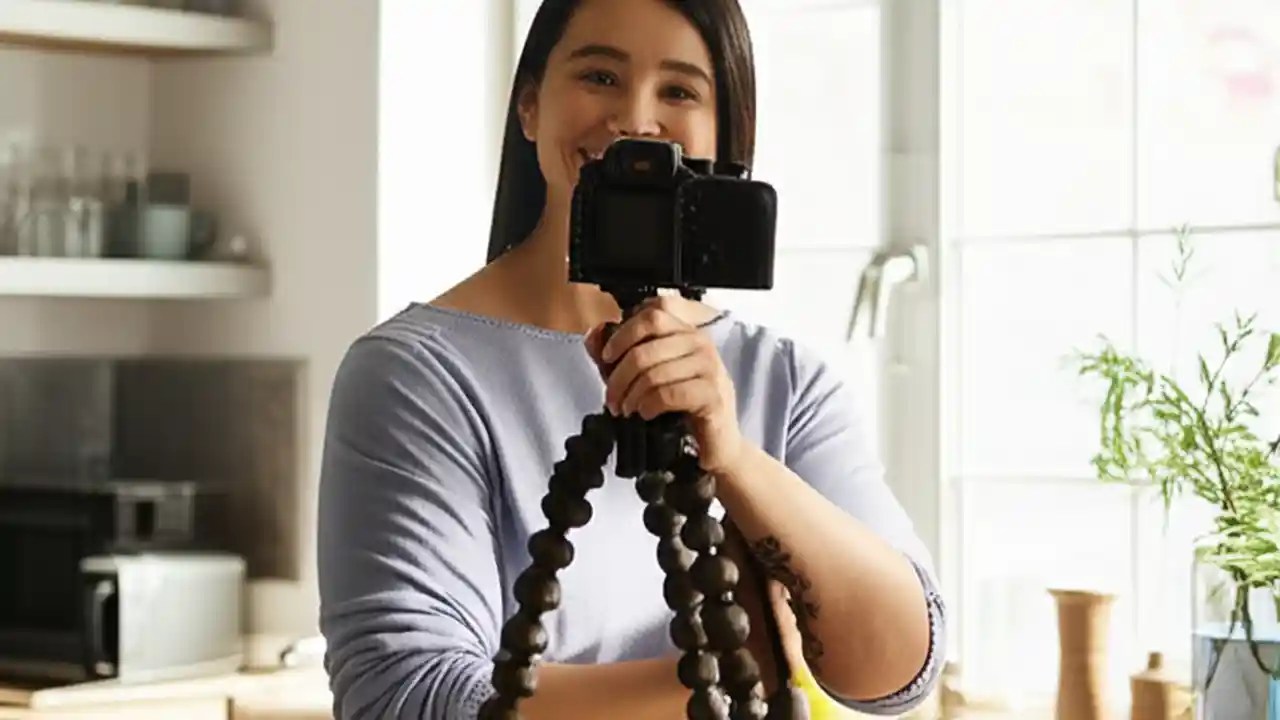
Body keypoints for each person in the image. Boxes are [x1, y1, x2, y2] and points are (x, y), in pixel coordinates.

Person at [316, 0, 947, 718]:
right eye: (600, 76)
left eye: (679, 90)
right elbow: (402, 698)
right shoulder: (416, 377)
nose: (635, 120)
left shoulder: (784, 382)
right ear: (530, 106)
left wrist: (734, 458)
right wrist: (739, 669)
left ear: (725, 134)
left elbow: (901, 670)